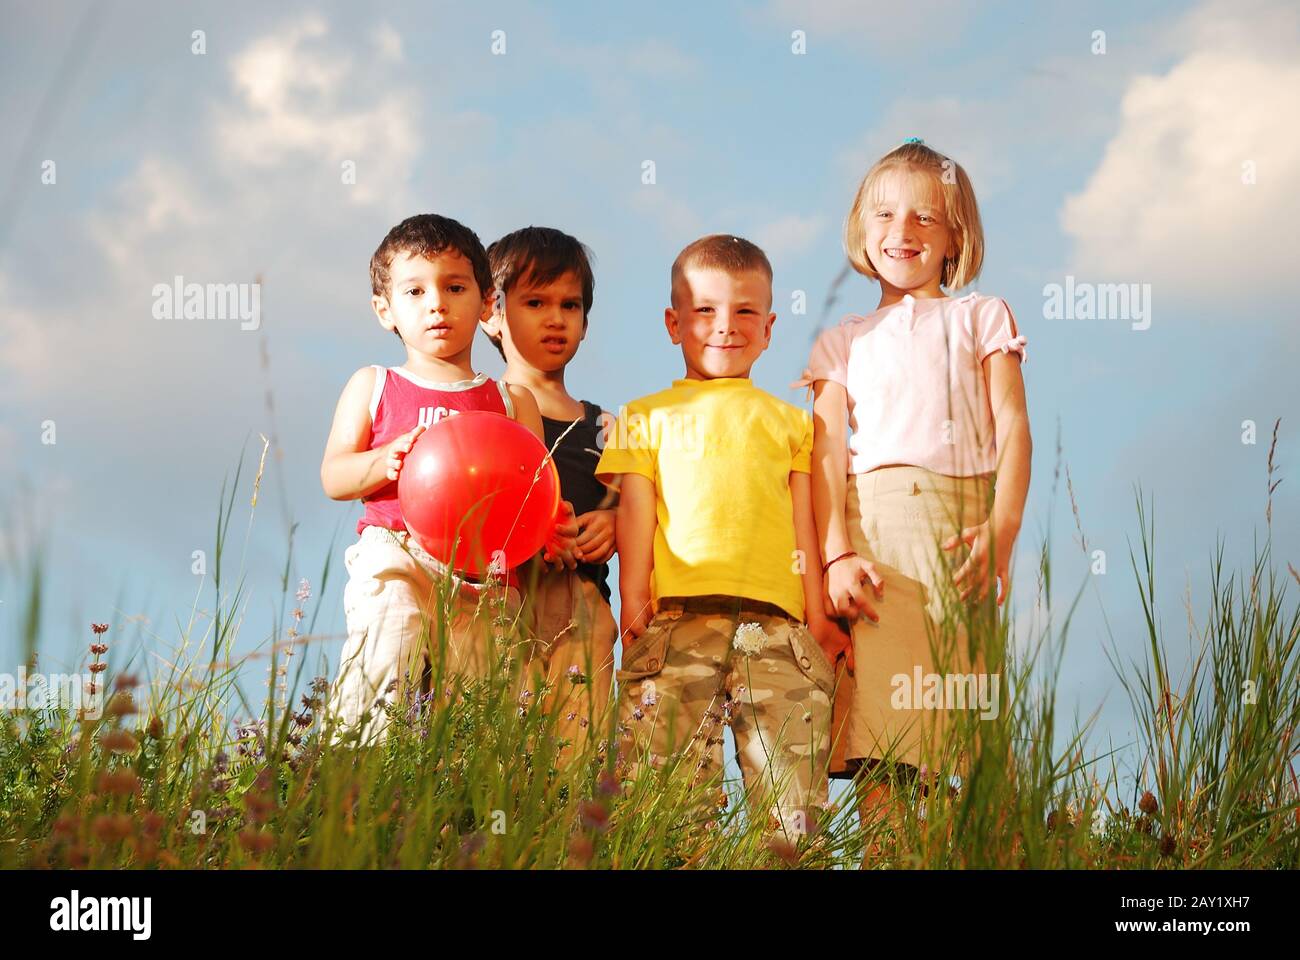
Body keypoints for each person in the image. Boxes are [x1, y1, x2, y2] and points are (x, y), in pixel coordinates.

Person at [795, 139, 1031, 845]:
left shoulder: (980, 317)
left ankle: (988, 856)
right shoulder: (842, 340)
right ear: (861, 229)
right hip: (877, 546)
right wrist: (835, 556)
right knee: (885, 744)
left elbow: (1014, 427)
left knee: (972, 736)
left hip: (961, 540)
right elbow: (825, 454)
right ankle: (890, 858)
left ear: (956, 235)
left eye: (926, 218)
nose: (903, 233)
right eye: (886, 215)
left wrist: (1002, 529)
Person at [597, 234, 846, 839]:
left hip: (779, 631)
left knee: (793, 813)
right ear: (672, 322)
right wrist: (634, 606)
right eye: (705, 310)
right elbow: (636, 514)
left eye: (744, 312)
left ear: (768, 328)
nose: (724, 327)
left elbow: (803, 525)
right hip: (675, 623)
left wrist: (817, 619)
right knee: (667, 805)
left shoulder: (792, 422)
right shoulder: (642, 416)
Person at [320, 213, 575, 744]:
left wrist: (549, 524)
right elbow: (334, 475)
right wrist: (383, 460)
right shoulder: (375, 384)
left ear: (486, 303)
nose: (436, 303)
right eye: (414, 291)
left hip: (484, 576)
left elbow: (534, 487)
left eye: (455, 287)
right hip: (398, 552)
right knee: (382, 668)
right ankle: (351, 778)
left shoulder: (510, 400)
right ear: (384, 309)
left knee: (485, 710)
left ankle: (465, 810)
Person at [481, 225, 618, 751]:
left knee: (575, 753)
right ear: (492, 314)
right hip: (502, 592)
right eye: (535, 301)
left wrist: (611, 523)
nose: (556, 318)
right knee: (491, 741)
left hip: (580, 602)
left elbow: (628, 504)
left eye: (571, 304)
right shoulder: (484, 407)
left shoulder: (605, 425)